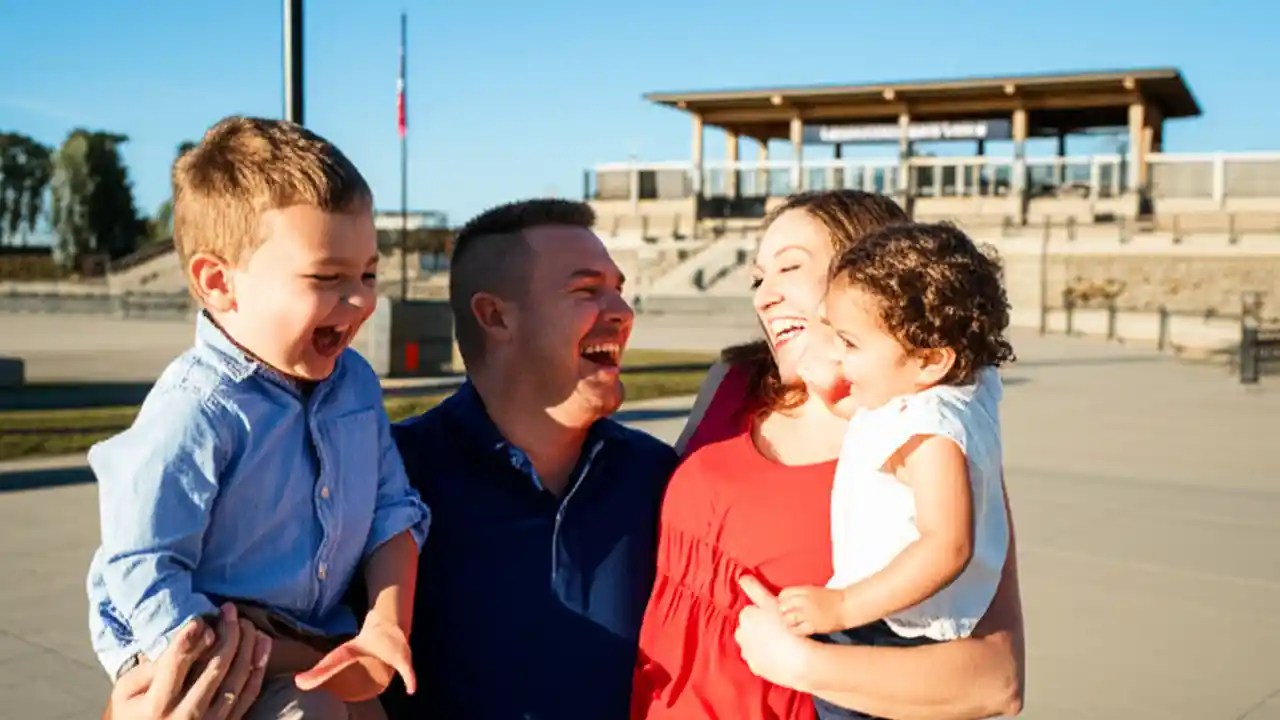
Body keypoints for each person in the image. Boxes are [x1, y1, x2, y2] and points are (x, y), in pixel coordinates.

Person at [632, 190, 1025, 720]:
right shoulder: (732, 384)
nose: (762, 297)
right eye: (757, 278)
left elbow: (995, 684)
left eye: (788, 268)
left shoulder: (925, 436)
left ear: (871, 275)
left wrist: (801, 664)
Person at [85, 116, 430, 719]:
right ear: (218, 283)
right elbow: (140, 564)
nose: (361, 301)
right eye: (327, 278)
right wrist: (205, 664)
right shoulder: (196, 409)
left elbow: (391, 511)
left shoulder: (355, 386)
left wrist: (385, 624)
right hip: (212, 645)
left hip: (320, 637)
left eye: (368, 273)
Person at [379, 198, 680, 718]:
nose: (622, 313)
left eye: (619, 290)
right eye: (587, 290)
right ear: (495, 316)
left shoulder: (661, 478)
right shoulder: (389, 477)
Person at [774, 221, 1015, 719]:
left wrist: (841, 607)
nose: (839, 356)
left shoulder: (930, 430)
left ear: (930, 360)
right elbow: (879, 421)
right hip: (896, 624)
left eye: (851, 343)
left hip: (895, 630)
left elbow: (947, 544)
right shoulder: (957, 389)